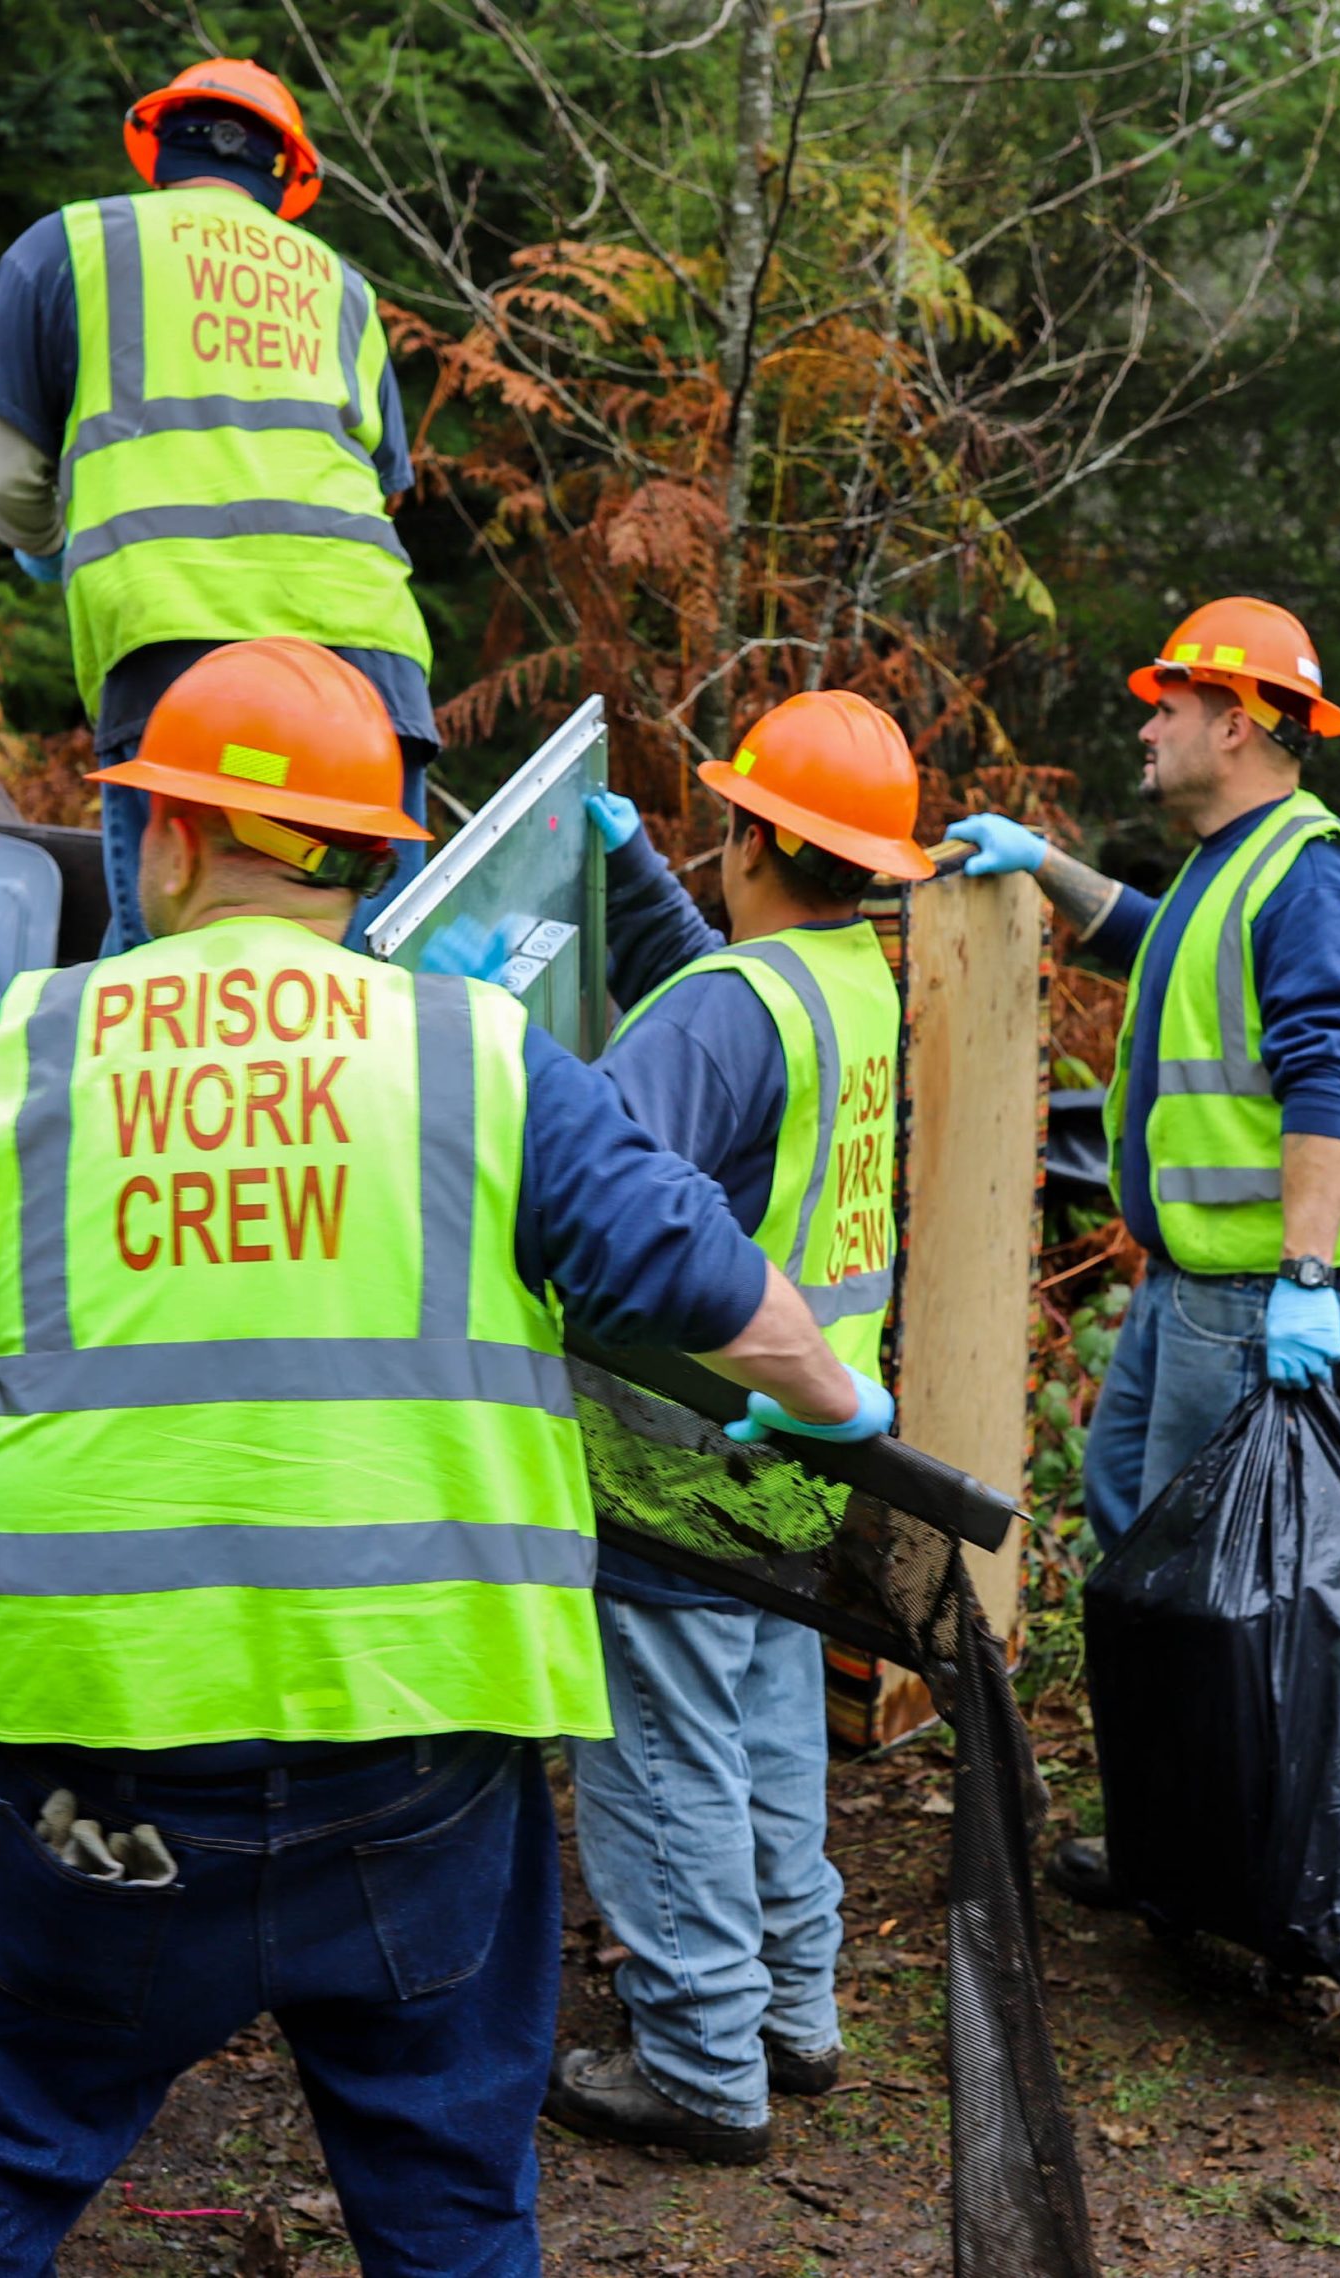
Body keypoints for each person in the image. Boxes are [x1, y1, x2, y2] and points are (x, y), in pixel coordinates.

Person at [0, 638, 886, 2278]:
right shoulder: (480, 1057)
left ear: (170, 839)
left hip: (96, 1779)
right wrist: (834, 1396)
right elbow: (690, 1264)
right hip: (412, 1773)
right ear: (368, 860)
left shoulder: (27, 1051)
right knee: (448, 2205)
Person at [947, 597, 1340, 1905]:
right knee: (1145, 1544)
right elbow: (1148, 938)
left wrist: (1310, 1285)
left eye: (1168, 704)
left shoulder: (1313, 873)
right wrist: (1043, 863)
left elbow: (1326, 1075)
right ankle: (1182, 1836)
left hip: (1258, 1298)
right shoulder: (1236, 862)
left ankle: (1228, 1872)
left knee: (1225, 1591)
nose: (1147, 725)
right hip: (1190, 1294)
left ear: (1237, 718)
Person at [535, 692, 931, 2165]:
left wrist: (476, 1052)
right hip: (802, 1454)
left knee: (660, 1762)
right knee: (772, 1732)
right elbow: (724, 1016)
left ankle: (701, 2060)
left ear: (755, 835)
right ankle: (790, 2012)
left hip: (679, 1454)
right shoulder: (852, 976)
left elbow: (600, 1186)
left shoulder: (729, 1004)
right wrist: (635, 881)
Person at [0, 57, 435, 953]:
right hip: (367, 660)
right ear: (286, 170)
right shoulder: (345, 288)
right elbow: (384, 491)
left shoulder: (71, 245)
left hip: (179, 652)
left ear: (157, 144)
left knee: (176, 978)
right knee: (373, 981)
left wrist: (49, 543)